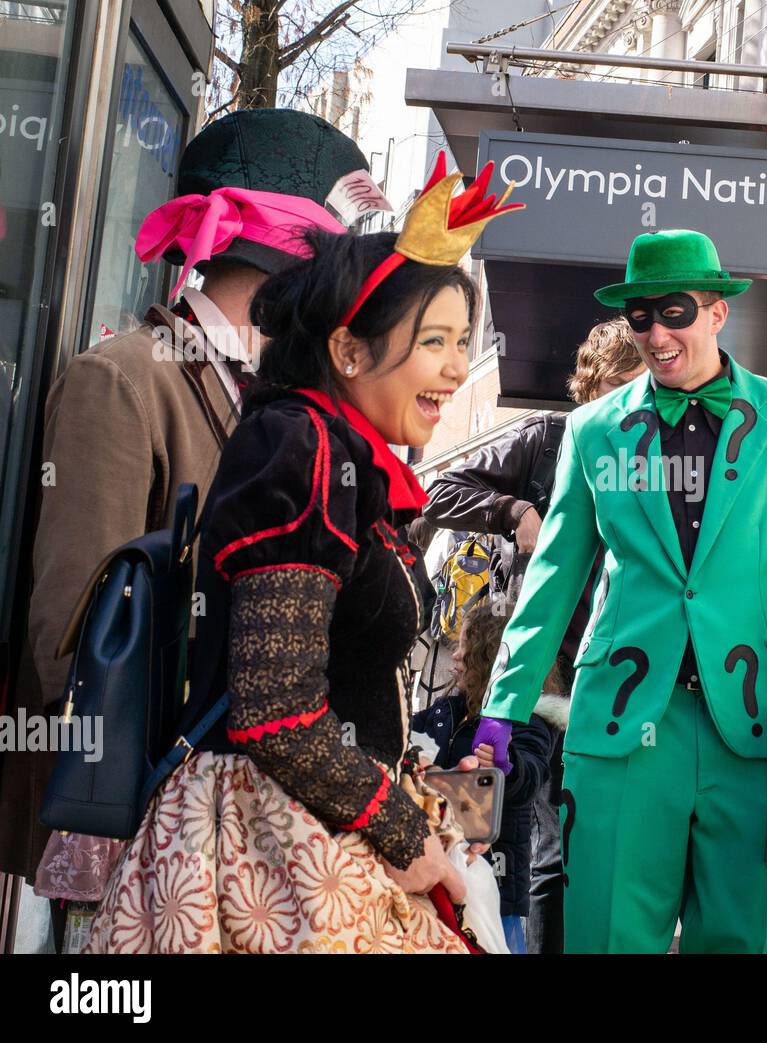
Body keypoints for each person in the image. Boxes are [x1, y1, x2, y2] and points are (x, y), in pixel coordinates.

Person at [84, 154, 523, 953]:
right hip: (264, 845)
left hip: (311, 829)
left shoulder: (340, 455)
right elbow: (277, 706)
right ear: (349, 351)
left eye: (464, 341)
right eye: (436, 343)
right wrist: (404, 833)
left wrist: (429, 806)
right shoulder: (304, 448)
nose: (459, 369)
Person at [5, 110, 369, 943]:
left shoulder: (279, 401)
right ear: (288, 266)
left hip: (220, 844)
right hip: (134, 840)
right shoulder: (126, 380)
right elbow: (74, 642)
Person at [473, 228, 767, 953]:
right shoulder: (594, 431)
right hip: (625, 727)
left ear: (718, 311)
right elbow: (556, 576)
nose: (656, 332)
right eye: (642, 315)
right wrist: (505, 702)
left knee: (744, 938)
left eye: (675, 311)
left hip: (749, 728)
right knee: (609, 937)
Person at [422, 316, 644, 953]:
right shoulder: (549, 438)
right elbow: (436, 487)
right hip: (540, 683)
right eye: (628, 387)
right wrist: (515, 509)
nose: (642, 405)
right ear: (596, 388)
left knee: (608, 856)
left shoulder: (660, 460)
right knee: (545, 854)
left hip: (621, 687)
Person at [410, 598, 555, 954]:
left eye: (464, 650)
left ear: (490, 661)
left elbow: (530, 778)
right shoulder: (447, 711)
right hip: (444, 871)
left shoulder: (527, 719)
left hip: (495, 882)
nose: (455, 658)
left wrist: (508, 764)